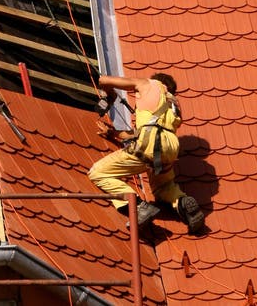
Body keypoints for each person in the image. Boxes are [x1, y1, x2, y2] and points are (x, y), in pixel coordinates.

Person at [88, 72, 205, 234]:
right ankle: (182, 202)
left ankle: (138, 206)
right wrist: (113, 133)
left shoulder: (148, 84)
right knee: (163, 187)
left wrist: (110, 94)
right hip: (170, 146)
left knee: (98, 172)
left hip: (151, 143)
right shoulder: (173, 103)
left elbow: (103, 80)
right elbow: (141, 132)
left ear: (157, 81)